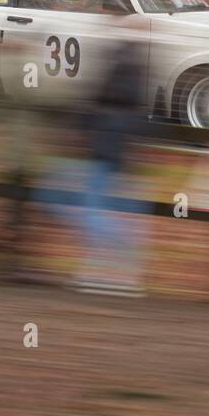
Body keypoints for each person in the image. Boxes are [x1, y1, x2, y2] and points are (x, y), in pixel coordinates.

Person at [70, 39, 151, 296]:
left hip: (103, 153)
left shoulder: (108, 94)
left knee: (94, 213)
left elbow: (89, 111)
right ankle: (122, 272)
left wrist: (81, 130)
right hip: (123, 157)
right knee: (114, 211)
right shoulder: (135, 94)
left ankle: (100, 269)